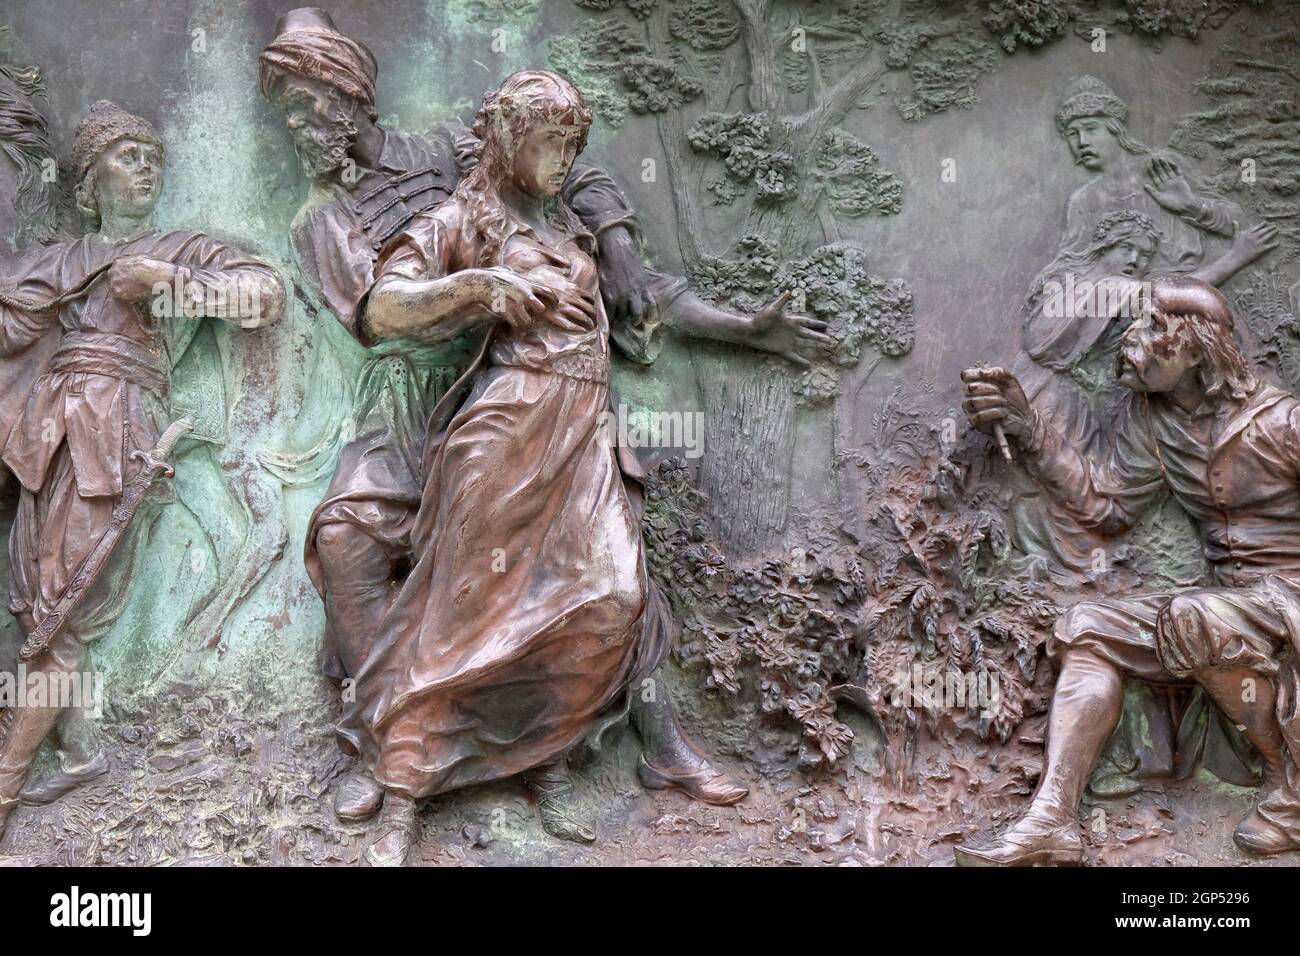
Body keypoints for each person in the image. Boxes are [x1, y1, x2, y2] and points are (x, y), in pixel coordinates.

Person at [259, 9, 827, 824]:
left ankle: (643, 743)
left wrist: (621, 251)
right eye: (288, 114)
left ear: (354, 98)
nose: (302, 126)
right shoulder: (321, 220)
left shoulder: (445, 149)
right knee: (349, 537)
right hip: (412, 396)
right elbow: (379, 318)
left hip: (523, 380)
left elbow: (565, 171)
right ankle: (389, 744)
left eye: (313, 104)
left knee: (602, 563)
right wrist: (477, 290)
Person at [0, 101, 285, 841]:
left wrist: (167, 283)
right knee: (37, 596)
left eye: (153, 156)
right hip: (48, 429)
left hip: (119, 428)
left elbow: (264, 296)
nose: (145, 166)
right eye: (127, 156)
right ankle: (81, 750)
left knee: (66, 600)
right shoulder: (54, 261)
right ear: (89, 183)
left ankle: (4, 782)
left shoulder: (180, 246)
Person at [957, 275, 1300, 864]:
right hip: (1227, 606)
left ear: (1195, 349)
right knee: (1088, 626)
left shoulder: (1284, 422)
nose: (1131, 340)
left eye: (1151, 329)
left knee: (1194, 616)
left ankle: (1289, 789)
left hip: (1289, 599)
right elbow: (1106, 507)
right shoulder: (1155, 423)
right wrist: (1029, 427)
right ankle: (1052, 818)